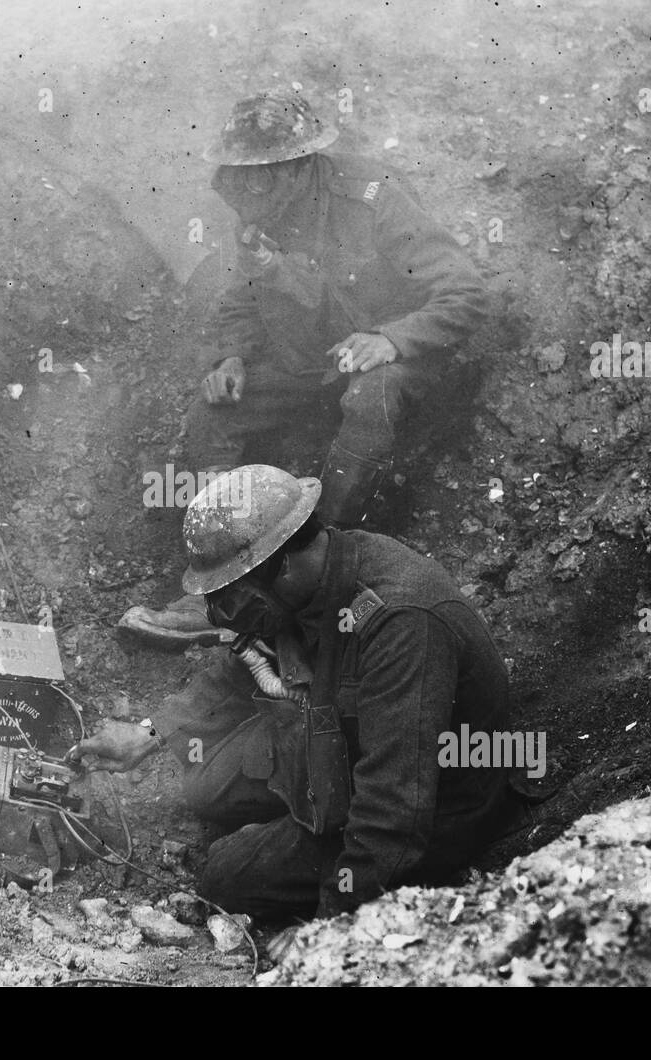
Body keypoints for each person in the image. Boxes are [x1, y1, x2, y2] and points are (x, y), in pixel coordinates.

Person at [120, 89, 490, 647]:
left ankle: (318, 577)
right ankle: (221, 594)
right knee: (215, 411)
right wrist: (232, 355)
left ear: (298, 168)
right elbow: (241, 298)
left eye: (260, 177)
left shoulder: (371, 196)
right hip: (313, 360)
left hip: (396, 353)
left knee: (370, 398)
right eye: (236, 176)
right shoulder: (250, 211)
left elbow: (464, 291)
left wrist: (391, 338)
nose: (244, 191)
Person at [74, 465, 524, 921]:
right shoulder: (309, 579)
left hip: (431, 808)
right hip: (342, 744)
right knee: (205, 784)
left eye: (234, 597)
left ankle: (307, 851)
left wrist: (331, 935)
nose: (226, 615)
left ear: (282, 567)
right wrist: (149, 734)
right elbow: (242, 666)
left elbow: (395, 813)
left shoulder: (402, 623)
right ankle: (295, 831)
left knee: (226, 877)